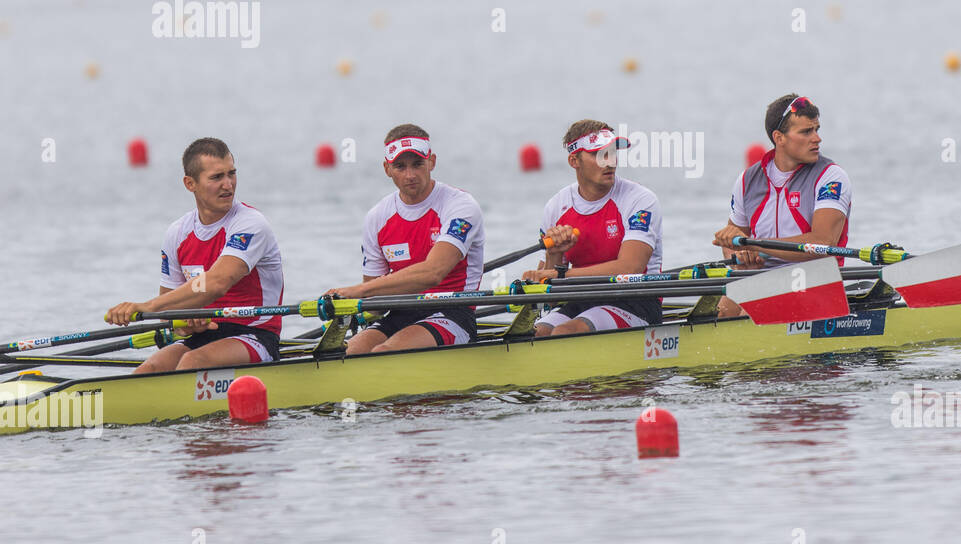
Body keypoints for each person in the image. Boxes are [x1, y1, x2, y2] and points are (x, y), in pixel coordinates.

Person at [106, 138, 285, 373]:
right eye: (216, 177)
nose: (228, 185)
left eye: (231, 174)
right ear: (190, 183)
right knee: (149, 369)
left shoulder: (250, 223)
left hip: (254, 335)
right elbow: (168, 318)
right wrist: (187, 326)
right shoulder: (177, 233)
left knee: (191, 363)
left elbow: (217, 283)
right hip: (204, 338)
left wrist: (147, 306)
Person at [324, 124, 485, 354]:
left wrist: (356, 292)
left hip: (452, 313)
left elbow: (433, 273)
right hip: (400, 313)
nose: (410, 175)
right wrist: (346, 309)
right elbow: (376, 303)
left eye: (417, 164)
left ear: (432, 162)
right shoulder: (377, 217)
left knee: (383, 352)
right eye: (400, 166)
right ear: (387, 169)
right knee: (345, 353)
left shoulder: (460, 206)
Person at [712, 95, 852, 317]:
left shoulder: (830, 177)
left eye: (816, 129)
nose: (817, 138)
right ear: (779, 138)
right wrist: (740, 256)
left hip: (815, 280)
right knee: (724, 309)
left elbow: (822, 242)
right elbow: (734, 243)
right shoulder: (747, 181)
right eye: (806, 132)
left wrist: (756, 246)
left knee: (747, 314)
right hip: (765, 279)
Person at [522, 121, 663, 336]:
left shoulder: (639, 200)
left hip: (634, 302)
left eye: (612, 153)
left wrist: (561, 274)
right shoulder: (556, 206)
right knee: (536, 333)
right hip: (581, 300)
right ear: (574, 160)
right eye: (599, 154)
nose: (610, 162)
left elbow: (630, 268)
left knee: (564, 332)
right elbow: (551, 292)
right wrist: (555, 254)